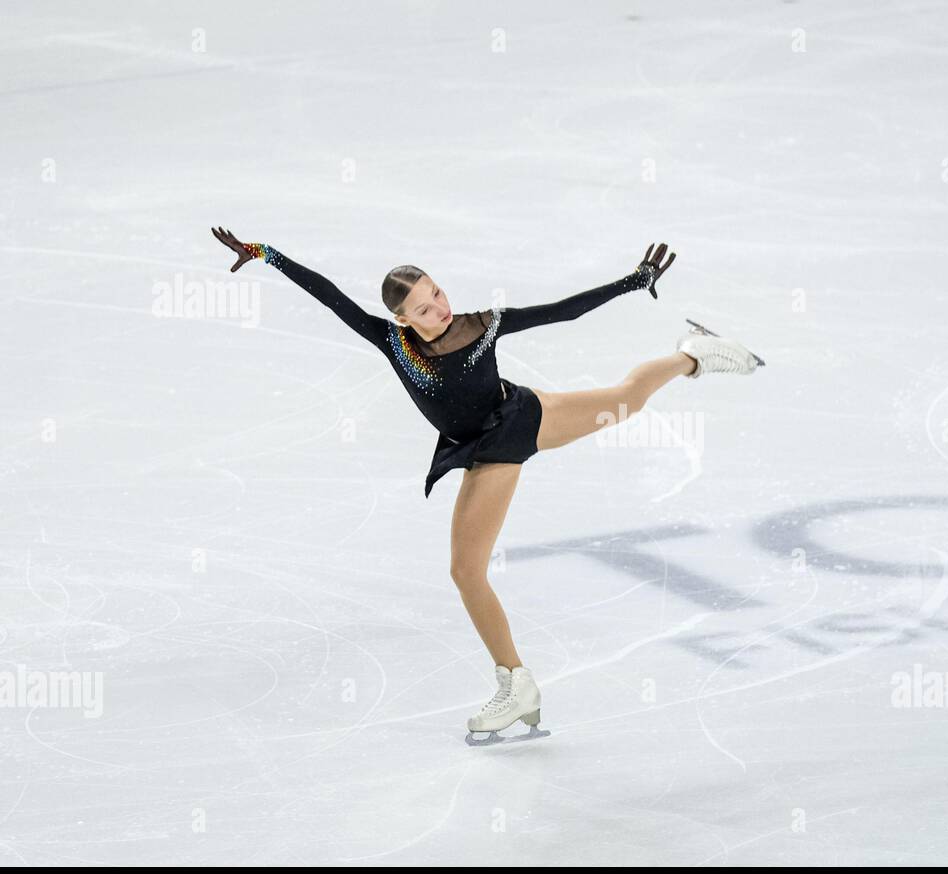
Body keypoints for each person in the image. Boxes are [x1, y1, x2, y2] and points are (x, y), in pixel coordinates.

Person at [211, 227, 763, 742]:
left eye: (439, 293)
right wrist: (264, 254)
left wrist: (630, 283)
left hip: (511, 428)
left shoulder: (482, 323)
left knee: (468, 566)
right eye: (425, 307)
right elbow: (330, 296)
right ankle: (691, 355)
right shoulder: (394, 343)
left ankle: (516, 683)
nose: (441, 308)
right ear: (404, 318)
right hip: (489, 436)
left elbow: (560, 313)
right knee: (621, 403)